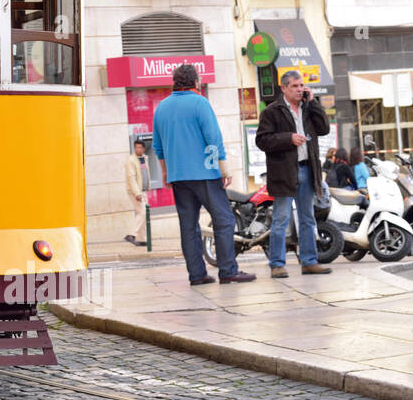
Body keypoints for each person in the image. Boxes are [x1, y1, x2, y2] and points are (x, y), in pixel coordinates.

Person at [152, 63, 254, 285]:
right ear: (196, 82)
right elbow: (213, 139)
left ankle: (197, 275)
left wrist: (166, 173)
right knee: (224, 220)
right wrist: (225, 169)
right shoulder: (200, 103)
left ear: (175, 83)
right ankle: (228, 271)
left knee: (188, 225)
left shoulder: (161, 107)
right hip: (205, 173)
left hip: (178, 177)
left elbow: (158, 146)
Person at [255, 70, 333, 277]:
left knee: (308, 218)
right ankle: (277, 264)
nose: (300, 90)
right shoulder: (272, 111)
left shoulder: (308, 109)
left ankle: (309, 261)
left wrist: (314, 103)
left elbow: (324, 129)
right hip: (284, 172)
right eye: (295, 86)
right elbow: (262, 140)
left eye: (301, 86)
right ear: (284, 88)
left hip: (308, 169)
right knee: (281, 218)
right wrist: (288, 138)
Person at [123, 139, 150, 246]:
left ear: (143, 149)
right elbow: (131, 177)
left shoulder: (144, 158)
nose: (137, 149)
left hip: (143, 191)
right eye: (136, 147)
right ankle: (131, 234)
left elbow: (144, 174)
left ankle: (141, 238)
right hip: (135, 192)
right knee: (142, 212)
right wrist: (137, 193)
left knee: (145, 214)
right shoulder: (131, 160)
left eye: (140, 147)